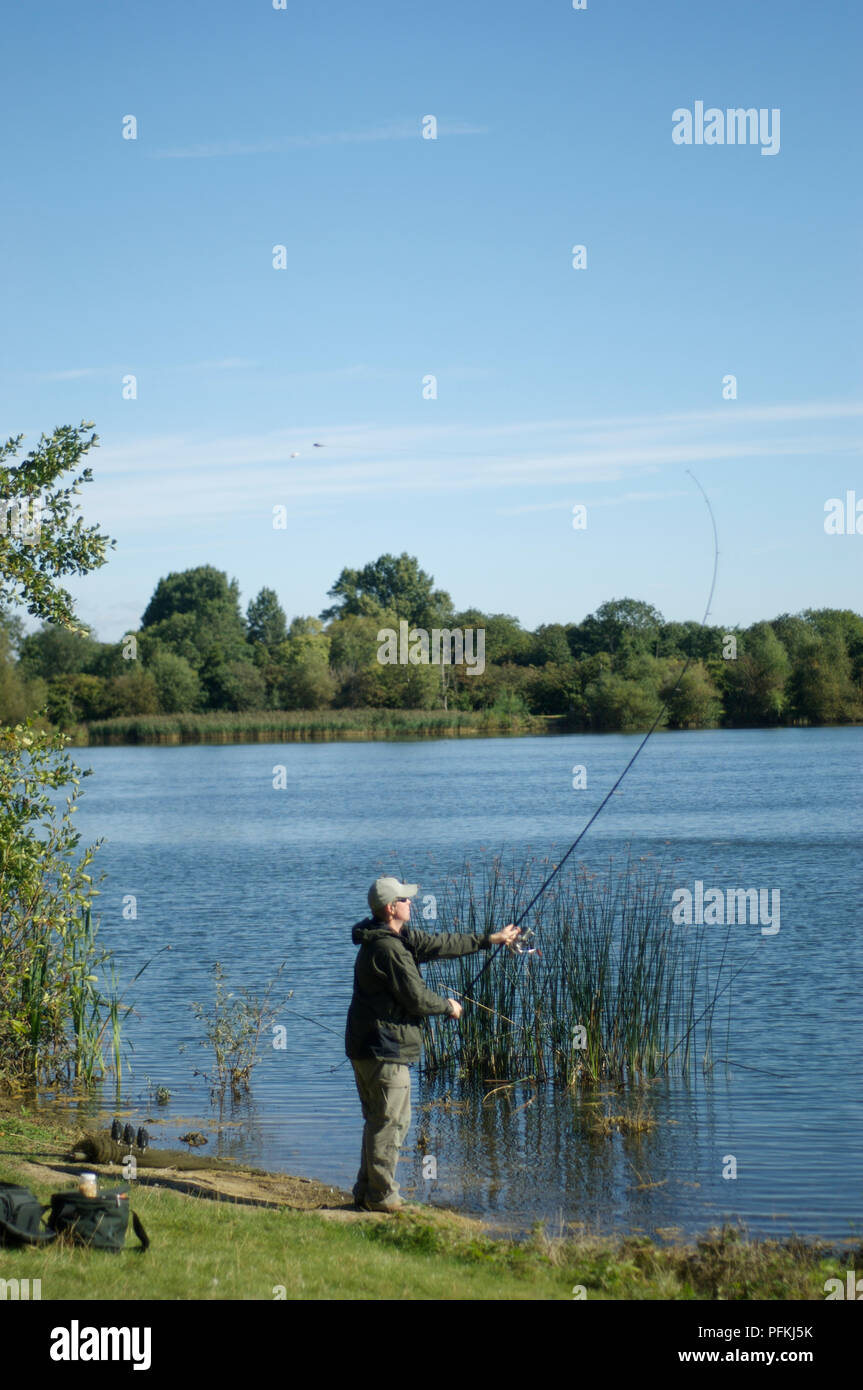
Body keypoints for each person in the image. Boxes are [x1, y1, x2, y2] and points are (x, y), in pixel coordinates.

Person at [345, 874, 520, 1212]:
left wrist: (491, 939)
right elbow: (416, 998)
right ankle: (382, 1197)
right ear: (391, 908)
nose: (411, 902)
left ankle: (367, 1192)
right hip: (383, 1049)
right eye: (404, 899)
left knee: (381, 1120)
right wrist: (448, 1006)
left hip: (370, 1047)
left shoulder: (397, 938)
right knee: (391, 1123)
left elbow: (441, 944)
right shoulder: (388, 949)